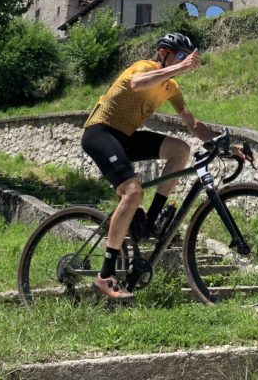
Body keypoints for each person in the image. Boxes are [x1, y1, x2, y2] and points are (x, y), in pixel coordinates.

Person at [81, 32, 219, 301]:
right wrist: (179, 67)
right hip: (101, 132)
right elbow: (136, 84)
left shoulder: (170, 87)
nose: (183, 61)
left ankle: (151, 221)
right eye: (179, 55)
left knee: (180, 150)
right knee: (133, 192)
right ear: (164, 53)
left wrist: (225, 144)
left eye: (185, 57)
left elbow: (192, 124)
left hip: (126, 137)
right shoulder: (146, 67)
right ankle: (105, 275)